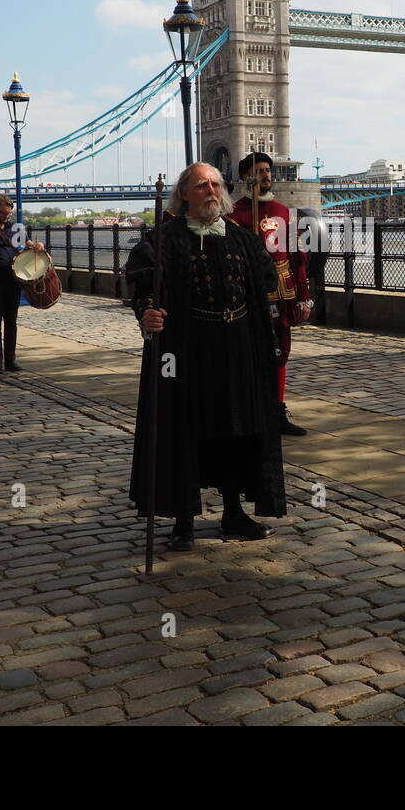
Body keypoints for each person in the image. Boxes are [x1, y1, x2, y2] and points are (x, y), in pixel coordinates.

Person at [127, 162, 286, 550]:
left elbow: (266, 279)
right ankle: (183, 520)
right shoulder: (164, 239)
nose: (211, 191)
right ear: (184, 194)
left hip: (238, 349)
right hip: (186, 351)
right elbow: (142, 281)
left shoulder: (242, 238)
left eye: (216, 184)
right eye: (201, 185)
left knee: (237, 430)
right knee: (186, 430)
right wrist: (147, 310)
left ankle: (234, 513)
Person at [228, 152, 311, 436]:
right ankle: (249, 412)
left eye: (268, 170)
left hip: (282, 293)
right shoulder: (232, 214)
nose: (266, 175)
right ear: (245, 177)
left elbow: (297, 258)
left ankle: (277, 410)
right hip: (247, 295)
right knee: (247, 354)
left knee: (279, 353)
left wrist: (304, 296)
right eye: (259, 170)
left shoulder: (283, 211)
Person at [0, 195, 44, 374]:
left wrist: (37, 246)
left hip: (13, 281)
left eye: (9, 213)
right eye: (3, 213)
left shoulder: (16, 228)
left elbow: (27, 245)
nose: (6, 216)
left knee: (11, 322)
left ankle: (11, 360)